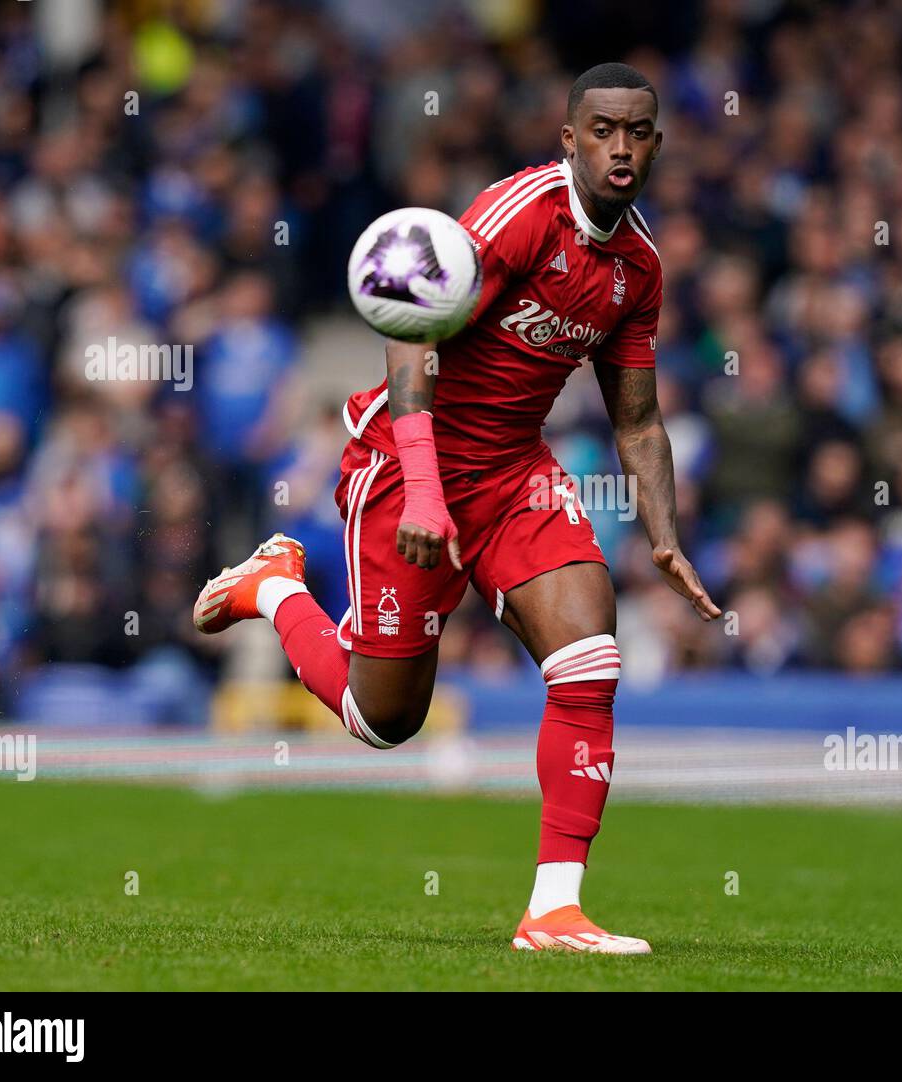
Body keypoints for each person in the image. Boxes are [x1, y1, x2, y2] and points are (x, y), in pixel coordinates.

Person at [193, 63, 720, 954]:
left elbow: (638, 420)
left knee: (591, 656)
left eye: (636, 132)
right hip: (408, 463)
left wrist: (665, 537)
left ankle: (554, 910)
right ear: (569, 138)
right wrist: (428, 494)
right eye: (602, 130)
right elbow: (411, 333)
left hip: (515, 473)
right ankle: (276, 588)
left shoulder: (637, 270)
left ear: (657, 144)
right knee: (384, 720)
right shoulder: (517, 216)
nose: (620, 147)